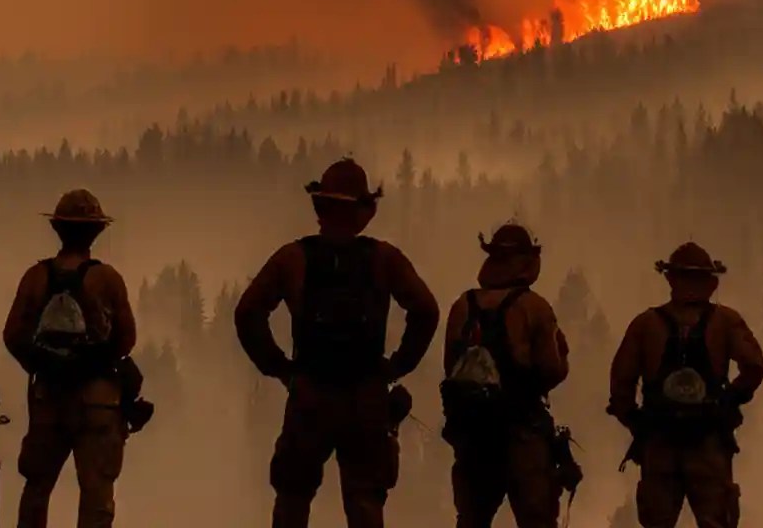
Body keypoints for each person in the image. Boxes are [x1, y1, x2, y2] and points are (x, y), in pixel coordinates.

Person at [235, 158, 440, 528]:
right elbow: (426, 310)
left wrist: (282, 368)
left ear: (321, 206)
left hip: (309, 396)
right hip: (366, 399)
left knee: (292, 499)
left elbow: (248, 313)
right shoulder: (383, 258)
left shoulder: (293, 258)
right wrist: (395, 366)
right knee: (365, 502)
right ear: (361, 210)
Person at [3, 189, 140, 528]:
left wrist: (43, 365)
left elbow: (12, 336)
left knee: (36, 488)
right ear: (96, 231)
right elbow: (126, 338)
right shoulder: (107, 279)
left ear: (58, 229)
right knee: (96, 495)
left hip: (48, 398)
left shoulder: (36, 277)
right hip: (99, 402)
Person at [607, 242, 763, 528]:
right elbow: (754, 367)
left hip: (663, 442)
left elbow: (621, 385)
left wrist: (636, 422)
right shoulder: (726, 321)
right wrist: (729, 400)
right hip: (706, 444)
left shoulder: (645, 325)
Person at [440, 223, 574, 528]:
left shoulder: (463, 306)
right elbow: (551, 371)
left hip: (473, 437)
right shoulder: (534, 307)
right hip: (522, 434)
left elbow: (451, 368)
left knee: (472, 519)